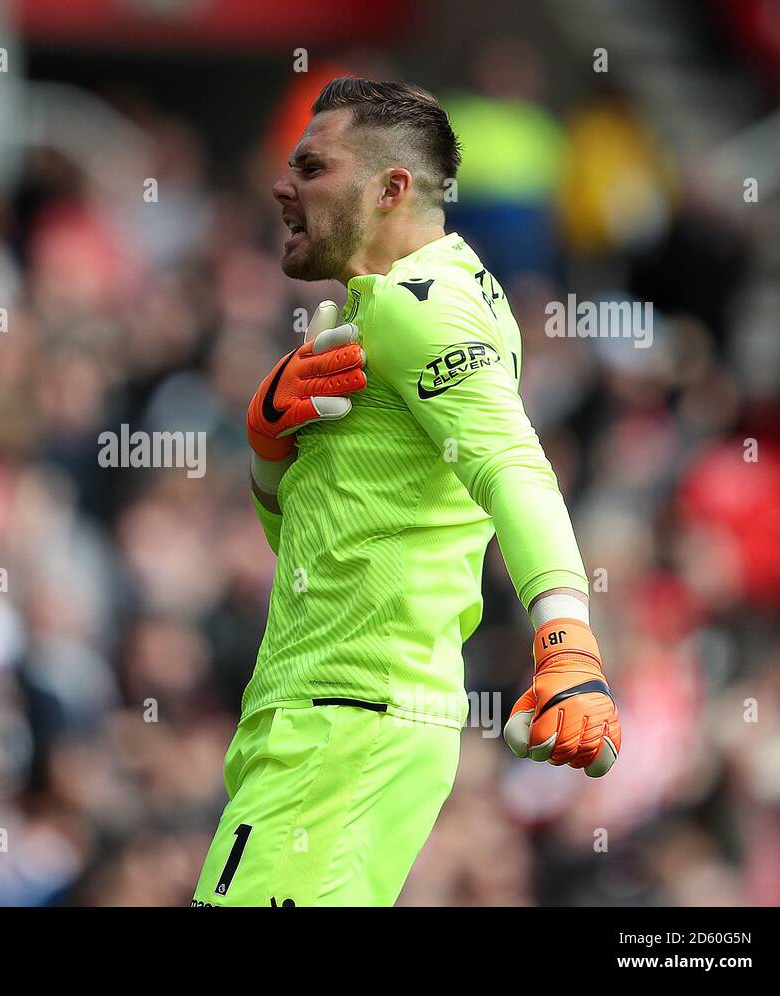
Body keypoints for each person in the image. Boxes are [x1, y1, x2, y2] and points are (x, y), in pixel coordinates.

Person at [191, 78, 621, 907]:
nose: (282, 185)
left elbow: (514, 466)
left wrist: (566, 641)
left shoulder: (422, 308)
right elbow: (306, 542)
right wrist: (270, 451)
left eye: (312, 167)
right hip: (328, 710)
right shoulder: (391, 311)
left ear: (391, 189)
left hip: (346, 715)